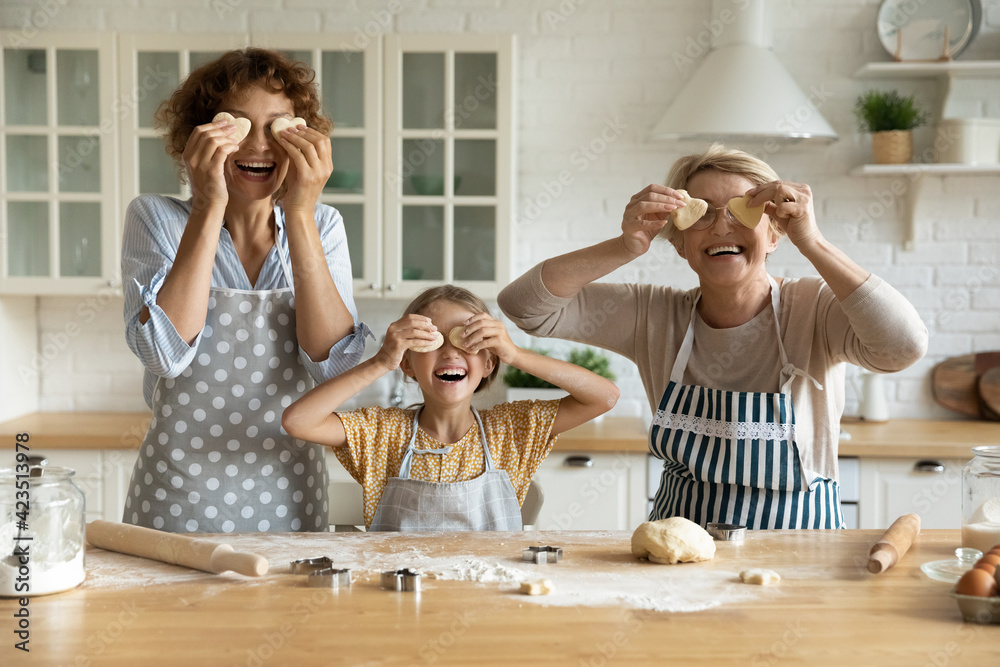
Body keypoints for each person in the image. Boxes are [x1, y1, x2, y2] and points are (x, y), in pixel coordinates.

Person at [498, 144, 928, 530]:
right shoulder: (653, 314)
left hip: (802, 550)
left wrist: (812, 240)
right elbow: (524, 307)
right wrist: (624, 246)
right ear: (681, 244)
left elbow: (903, 346)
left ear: (775, 233)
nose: (721, 227)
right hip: (677, 550)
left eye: (743, 210)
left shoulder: (814, 307)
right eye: (702, 213)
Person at [121, 48, 370, 533]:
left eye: (277, 127)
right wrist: (207, 204)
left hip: (289, 486)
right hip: (176, 494)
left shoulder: (323, 224)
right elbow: (165, 355)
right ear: (198, 136)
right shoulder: (156, 219)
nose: (259, 145)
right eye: (236, 124)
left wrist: (299, 213)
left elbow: (334, 367)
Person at [281, 285, 619, 531]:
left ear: (489, 363)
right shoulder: (382, 433)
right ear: (408, 365)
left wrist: (515, 354)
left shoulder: (511, 429)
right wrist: (381, 361)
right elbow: (298, 421)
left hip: (488, 604)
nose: (450, 352)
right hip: (402, 601)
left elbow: (604, 396)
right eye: (431, 340)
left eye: (467, 340)